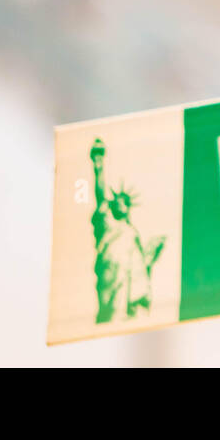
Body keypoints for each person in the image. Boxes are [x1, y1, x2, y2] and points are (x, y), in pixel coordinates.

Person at [90, 138, 165, 322]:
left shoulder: (132, 233)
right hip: (112, 276)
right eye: (118, 201)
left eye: (125, 202)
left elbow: (140, 267)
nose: (121, 203)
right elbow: (100, 196)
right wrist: (99, 166)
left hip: (131, 289)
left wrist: (150, 254)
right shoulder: (107, 223)